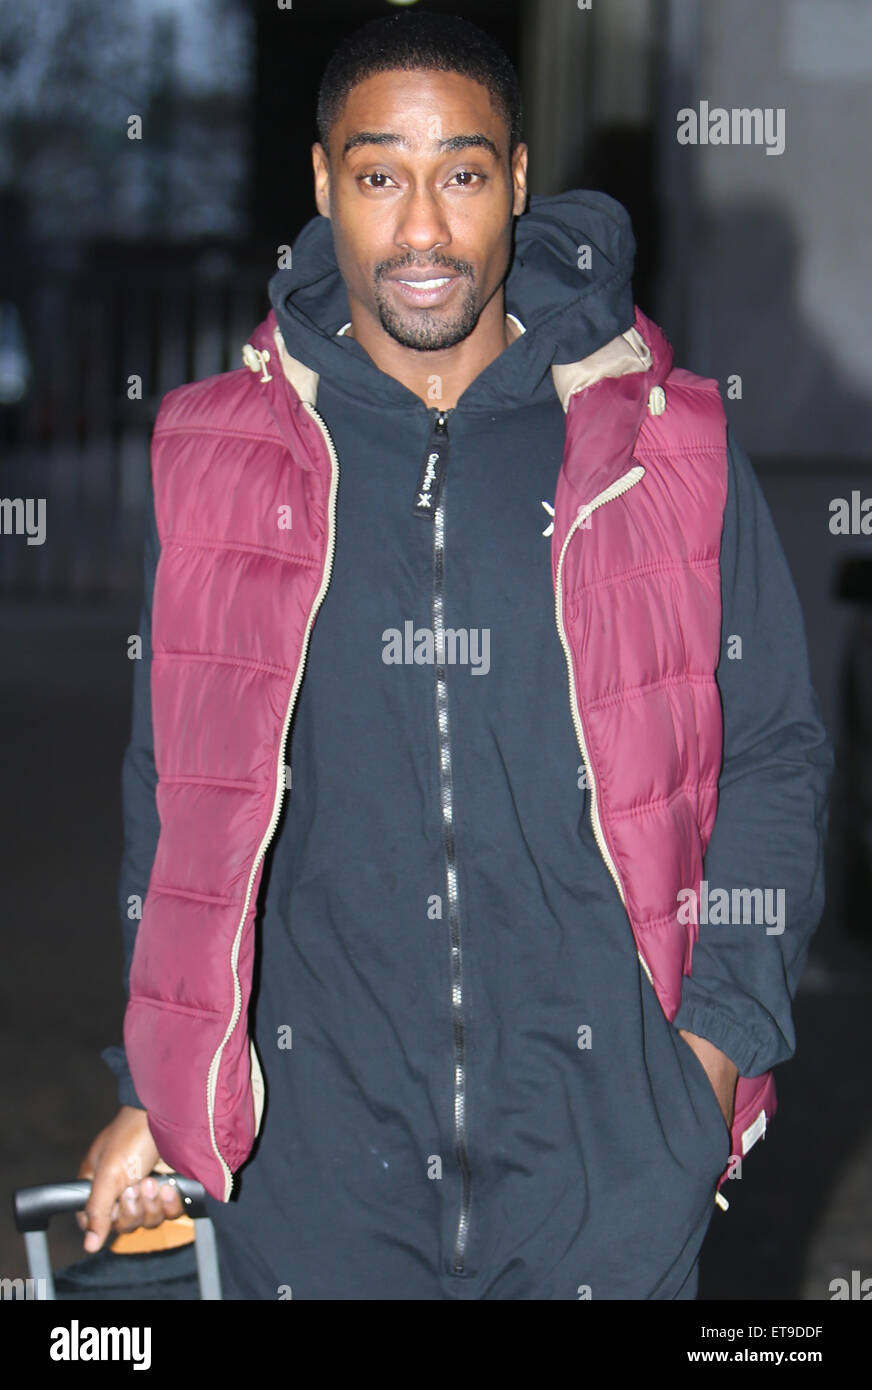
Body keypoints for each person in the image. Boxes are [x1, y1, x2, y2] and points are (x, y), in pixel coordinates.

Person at [79, 10, 833, 1300]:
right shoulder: (216, 459)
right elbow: (180, 796)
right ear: (324, 186)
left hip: (609, 1165)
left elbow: (771, 755)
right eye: (380, 176)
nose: (422, 230)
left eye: (463, 175)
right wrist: (164, 1082)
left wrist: (709, 1060)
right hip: (311, 1173)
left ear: (519, 182)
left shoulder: (667, 447)